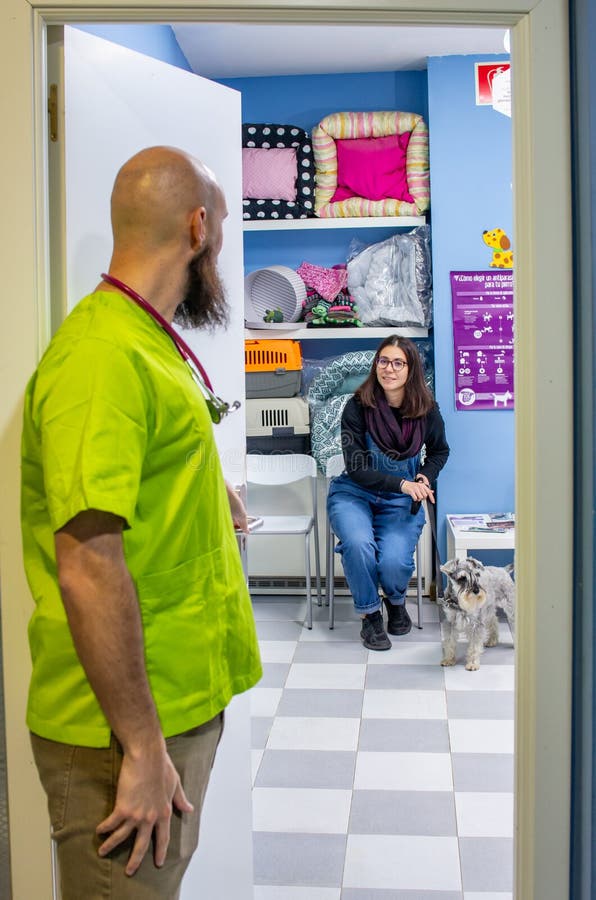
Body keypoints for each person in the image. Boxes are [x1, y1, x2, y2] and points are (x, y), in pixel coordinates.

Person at [20, 146, 262, 899]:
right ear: (198, 228)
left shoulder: (141, 338)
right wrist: (144, 747)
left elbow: (139, 462)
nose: (220, 247)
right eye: (222, 228)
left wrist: (206, 484)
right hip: (121, 736)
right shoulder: (100, 357)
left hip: (173, 702)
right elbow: (89, 563)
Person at [327, 335, 449, 650]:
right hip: (354, 493)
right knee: (358, 544)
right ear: (375, 365)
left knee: (394, 561)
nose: (389, 369)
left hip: (399, 501)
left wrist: (424, 475)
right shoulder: (357, 406)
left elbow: (439, 452)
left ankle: (395, 602)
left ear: (411, 370)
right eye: (383, 361)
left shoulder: (426, 409)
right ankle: (370, 616)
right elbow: (357, 467)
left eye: (398, 363)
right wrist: (404, 484)